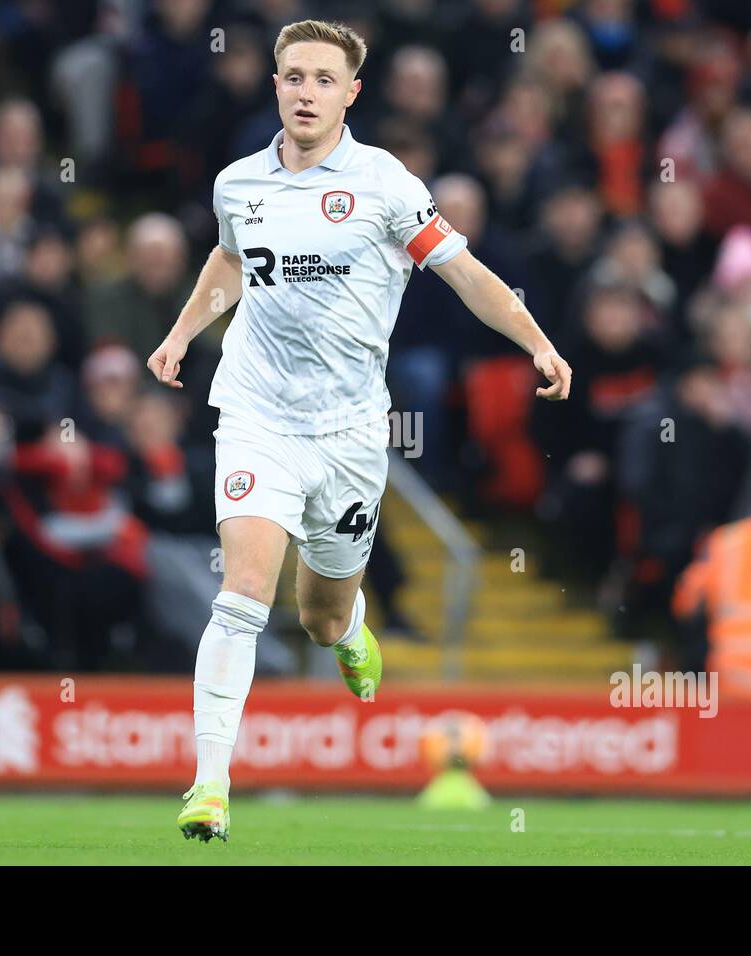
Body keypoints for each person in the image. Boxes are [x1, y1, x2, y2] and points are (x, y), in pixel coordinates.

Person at [146, 19, 573, 843]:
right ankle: (209, 786)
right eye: (293, 76)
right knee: (240, 596)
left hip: (347, 436)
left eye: (322, 79)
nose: (306, 91)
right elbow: (231, 259)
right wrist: (179, 333)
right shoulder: (240, 183)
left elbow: (466, 274)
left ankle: (351, 629)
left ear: (351, 93)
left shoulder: (384, 185)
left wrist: (537, 342)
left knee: (319, 614)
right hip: (257, 416)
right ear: (276, 85)